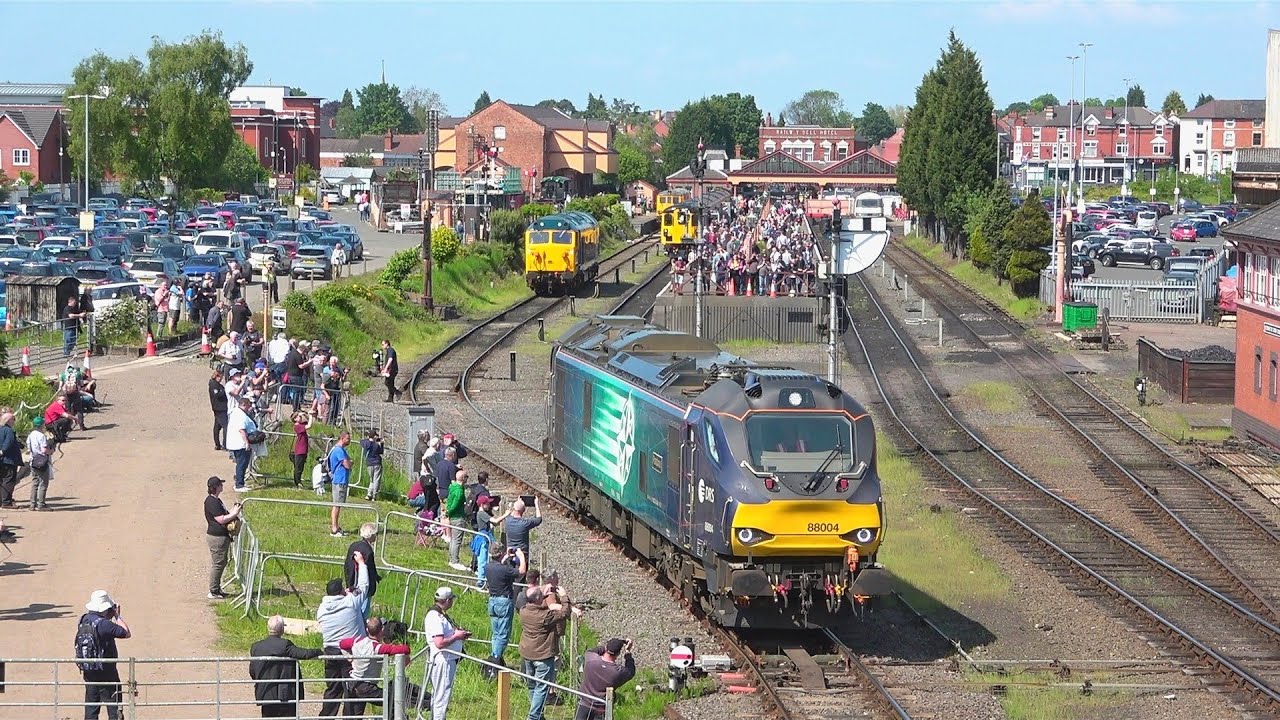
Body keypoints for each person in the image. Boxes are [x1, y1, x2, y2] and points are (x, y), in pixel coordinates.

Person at [316, 557, 369, 716]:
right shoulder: (352, 601)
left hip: (331, 652)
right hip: (350, 653)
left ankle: (326, 717)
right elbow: (364, 586)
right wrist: (361, 564)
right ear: (340, 591)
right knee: (352, 689)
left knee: (333, 689)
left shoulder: (322, 609)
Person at [249, 614, 323, 718]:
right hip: (285, 694)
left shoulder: (256, 647)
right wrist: (318, 651)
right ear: (282, 629)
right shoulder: (285, 645)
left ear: (268, 628)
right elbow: (303, 653)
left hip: (266, 692)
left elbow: (252, 671)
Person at [518, 586, 574, 720]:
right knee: (542, 688)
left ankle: (538, 714)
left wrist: (541, 596)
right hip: (542, 655)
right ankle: (533, 716)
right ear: (538, 599)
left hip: (527, 652)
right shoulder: (545, 616)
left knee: (532, 686)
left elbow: (536, 605)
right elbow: (564, 613)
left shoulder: (523, 610)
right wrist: (564, 597)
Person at [337, 616, 410, 717]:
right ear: (382, 630)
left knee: (353, 715)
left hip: (353, 682)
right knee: (393, 701)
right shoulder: (377, 648)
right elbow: (403, 649)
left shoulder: (356, 641)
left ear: (367, 630)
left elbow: (341, 644)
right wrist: (407, 654)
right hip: (367, 686)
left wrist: (349, 657)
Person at [77, 589, 131, 720]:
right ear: (106, 608)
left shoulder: (84, 620)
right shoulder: (105, 625)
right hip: (107, 671)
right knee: (114, 706)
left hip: (89, 670)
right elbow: (126, 633)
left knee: (91, 707)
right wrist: (117, 616)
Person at [425, 587, 469, 720]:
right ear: (448, 600)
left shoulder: (440, 614)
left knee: (439, 694)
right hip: (443, 661)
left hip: (446, 660)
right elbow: (439, 642)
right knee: (441, 697)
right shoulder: (436, 617)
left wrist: (459, 634)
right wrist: (456, 636)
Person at [484, 544, 526, 672]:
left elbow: (500, 565)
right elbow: (521, 572)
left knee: (496, 633)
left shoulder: (488, 567)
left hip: (492, 601)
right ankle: (495, 660)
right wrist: (521, 557)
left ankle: (495, 656)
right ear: (501, 554)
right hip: (504, 601)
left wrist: (506, 556)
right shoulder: (504, 570)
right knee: (503, 634)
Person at [575, 638, 637, 720]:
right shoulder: (617, 672)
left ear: (606, 648)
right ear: (618, 654)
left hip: (583, 704)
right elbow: (630, 671)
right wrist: (628, 652)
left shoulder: (590, 659)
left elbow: (591, 650)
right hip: (601, 710)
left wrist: (605, 647)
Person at [205, 476, 242, 600]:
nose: (222, 486)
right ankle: (213, 591)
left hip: (220, 536)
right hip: (217, 537)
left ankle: (216, 588)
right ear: (215, 487)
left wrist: (233, 511)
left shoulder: (216, 500)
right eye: (220, 484)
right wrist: (234, 514)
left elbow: (224, 514)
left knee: (221, 562)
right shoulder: (211, 502)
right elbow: (220, 519)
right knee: (218, 564)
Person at [344, 523, 382, 620]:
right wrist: (373, 582)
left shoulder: (353, 545)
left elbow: (347, 565)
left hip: (352, 584)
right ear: (372, 535)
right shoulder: (368, 550)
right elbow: (369, 569)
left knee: (353, 609)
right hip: (363, 585)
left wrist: (349, 583)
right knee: (362, 613)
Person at [226, 396, 257, 492]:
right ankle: (239, 484)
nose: (249, 407)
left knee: (242, 464)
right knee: (242, 464)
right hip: (240, 443)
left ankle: (241, 482)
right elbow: (242, 430)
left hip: (237, 443)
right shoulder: (240, 415)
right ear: (244, 404)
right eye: (248, 405)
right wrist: (246, 442)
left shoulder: (236, 413)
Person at [328, 432, 353, 537]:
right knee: (337, 505)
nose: (349, 441)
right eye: (348, 439)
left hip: (342, 479)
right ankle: (334, 528)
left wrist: (350, 462)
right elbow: (347, 464)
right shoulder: (338, 450)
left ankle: (337, 526)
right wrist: (349, 463)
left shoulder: (342, 450)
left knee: (339, 504)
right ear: (342, 438)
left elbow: (350, 461)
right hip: (339, 480)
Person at [445, 468, 468, 572]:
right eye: (466, 477)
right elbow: (455, 504)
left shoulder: (452, 487)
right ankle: (455, 560)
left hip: (452, 517)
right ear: (463, 478)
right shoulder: (459, 491)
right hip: (457, 517)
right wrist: (449, 512)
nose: (467, 478)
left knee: (453, 539)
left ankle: (451, 558)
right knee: (457, 540)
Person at [27, 416, 52, 510]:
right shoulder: (41, 436)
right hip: (41, 461)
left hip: (32, 460)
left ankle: (32, 504)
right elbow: (44, 450)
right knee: (43, 483)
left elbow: (29, 448)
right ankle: (41, 504)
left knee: (35, 482)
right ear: (41, 425)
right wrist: (51, 451)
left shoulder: (30, 435)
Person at [0, 411, 19, 508]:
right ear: (8, 420)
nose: (14, 421)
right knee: (9, 480)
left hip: (2, 460)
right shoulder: (9, 430)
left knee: (2, 480)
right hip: (9, 459)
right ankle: (6, 502)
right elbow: (8, 442)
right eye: (13, 419)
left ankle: (2, 500)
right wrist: (2, 451)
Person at [359, 430, 384, 501]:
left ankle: (369, 494)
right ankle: (374, 495)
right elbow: (381, 452)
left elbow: (361, 441)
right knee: (376, 480)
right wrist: (381, 444)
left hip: (369, 464)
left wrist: (369, 439)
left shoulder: (365, 443)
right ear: (374, 436)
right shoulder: (376, 445)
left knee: (372, 480)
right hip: (377, 463)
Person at [291, 412, 312, 488]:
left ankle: (298, 482)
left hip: (303, 449)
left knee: (301, 467)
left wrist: (306, 414)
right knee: (298, 468)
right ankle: (297, 483)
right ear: (295, 419)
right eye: (299, 416)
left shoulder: (301, 425)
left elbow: (308, 421)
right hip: (300, 450)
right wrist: (310, 415)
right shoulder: (297, 426)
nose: (300, 417)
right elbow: (309, 426)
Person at [209, 368, 229, 451]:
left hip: (220, 408)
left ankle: (217, 444)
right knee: (225, 426)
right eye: (220, 377)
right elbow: (217, 395)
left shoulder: (218, 385)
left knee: (217, 426)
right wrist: (225, 392)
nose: (221, 379)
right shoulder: (213, 385)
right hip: (219, 408)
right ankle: (225, 445)